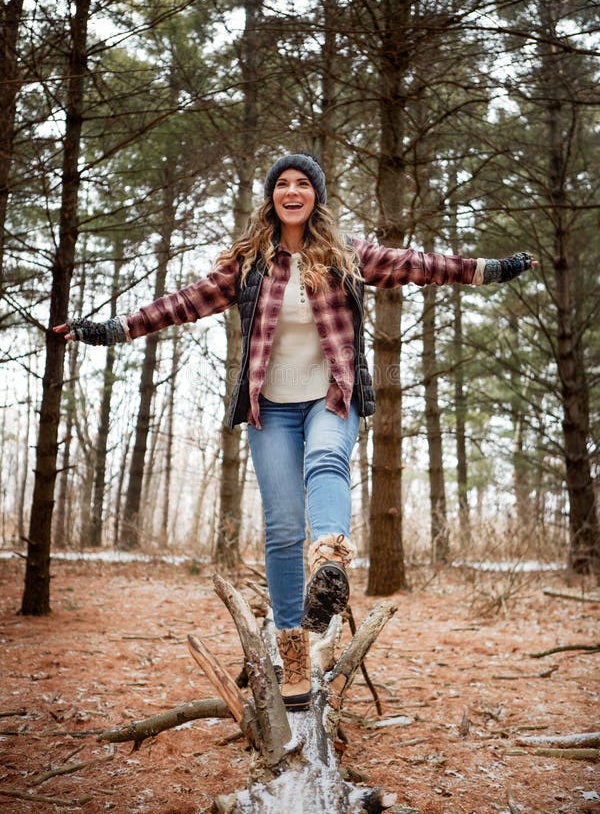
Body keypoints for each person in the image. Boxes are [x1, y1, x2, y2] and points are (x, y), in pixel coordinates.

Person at [54, 152, 537, 711]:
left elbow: (417, 264)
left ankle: (330, 561)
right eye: (281, 183)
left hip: (332, 395)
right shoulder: (247, 265)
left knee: (328, 460)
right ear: (271, 197)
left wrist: (487, 270)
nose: (291, 190)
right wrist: (109, 330)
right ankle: (293, 650)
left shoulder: (347, 257)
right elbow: (180, 305)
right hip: (271, 409)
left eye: (302, 183)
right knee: (282, 528)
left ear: (316, 197)